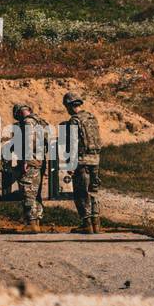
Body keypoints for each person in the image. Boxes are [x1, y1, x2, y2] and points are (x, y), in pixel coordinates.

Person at [62, 91, 101, 233]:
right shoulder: (92, 118)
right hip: (95, 159)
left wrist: (70, 164)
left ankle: (87, 224)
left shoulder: (75, 120)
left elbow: (72, 144)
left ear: (70, 106)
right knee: (93, 191)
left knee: (81, 192)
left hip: (81, 161)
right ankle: (96, 223)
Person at [12, 102, 49, 232]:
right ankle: (37, 222)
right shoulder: (40, 122)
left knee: (27, 191)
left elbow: (28, 141)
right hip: (40, 161)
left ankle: (31, 223)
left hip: (31, 161)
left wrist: (26, 159)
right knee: (36, 192)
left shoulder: (28, 122)